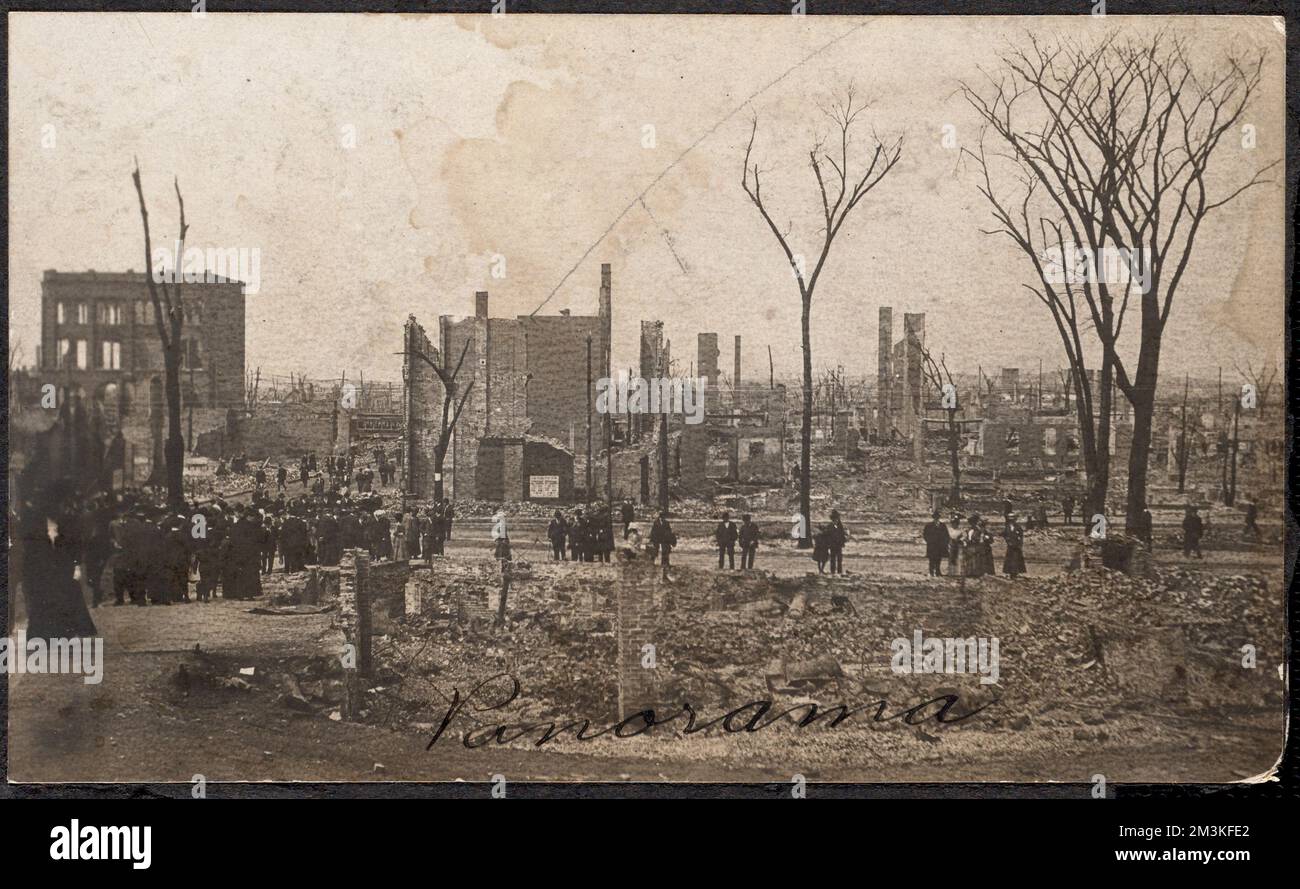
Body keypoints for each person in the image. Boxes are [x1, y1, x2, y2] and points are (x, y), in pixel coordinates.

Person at [648, 511, 677, 580]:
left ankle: (665, 563)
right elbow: (653, 531)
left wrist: (669, 538)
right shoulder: (656, 522)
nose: (662, 518)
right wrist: (651, 539)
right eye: (662, 517)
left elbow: (669, 531)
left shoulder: (666, 523)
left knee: (665, 551)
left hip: (664, 539)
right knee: (654, 551)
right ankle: (652, 562)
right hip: (657, 539)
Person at [922, 510, 948, 577]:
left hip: (940, 545)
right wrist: (929, 541)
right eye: (935, 517)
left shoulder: (943, 525)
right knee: (931, 559)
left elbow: (946, 535)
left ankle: (938, 571)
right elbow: (925, 534)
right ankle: (931, 572)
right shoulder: (929, 525)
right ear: (933, 517)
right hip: (932, 545)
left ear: (939, 517)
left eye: (937, 517)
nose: (936, 518)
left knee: (938, 559)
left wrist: (944, 543)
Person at [1002, 513, 1026, 578]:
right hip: (1010, 546)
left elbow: (1021, 536)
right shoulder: (1007, 527)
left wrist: (1020, 544)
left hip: (1016, 546)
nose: (1011, 520)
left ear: (1015, 519)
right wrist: (1008, 541)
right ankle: (1010, 572)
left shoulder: (1018, 527)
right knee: (1010, 559)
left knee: (1016, 559)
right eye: (1010, 519)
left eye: (1013, 519)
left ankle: (1015, 572)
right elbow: (1004, 535)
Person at [827, 509, 848, 575]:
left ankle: (839, 571)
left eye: (837, 519)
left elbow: (842, 535)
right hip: (832, 545)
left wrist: (842, 541)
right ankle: (832, 571)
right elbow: (828, 535)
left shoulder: (840, 526)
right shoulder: (829, 526)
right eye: (834, 519)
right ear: (832, 520)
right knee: (833, 558)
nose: (836, 521)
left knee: (839, 558)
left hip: (838, 545)